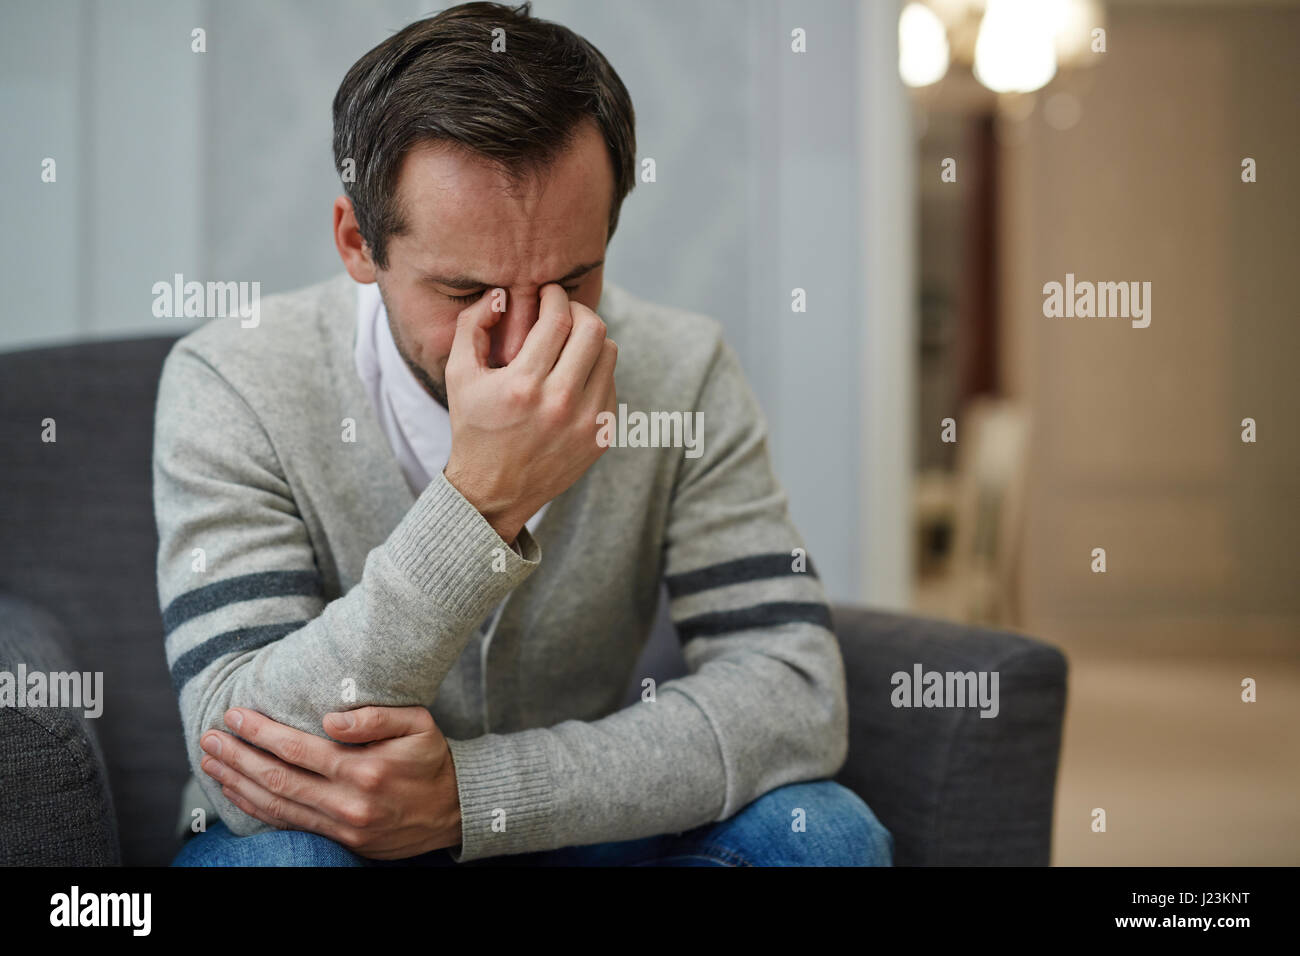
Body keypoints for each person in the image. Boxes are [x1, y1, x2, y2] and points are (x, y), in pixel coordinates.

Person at [157, 1, 892, 867]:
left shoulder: (682, 371)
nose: (522, 341)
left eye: (571, 282)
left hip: (578, 827)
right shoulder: (232, 382)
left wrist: (480, 799)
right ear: (358, 242)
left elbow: (797, 695)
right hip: (330, 838)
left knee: (826, 835)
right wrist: (481, 501)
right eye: (467, 293)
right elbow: (238, 742)